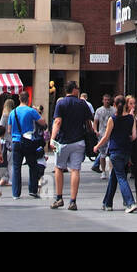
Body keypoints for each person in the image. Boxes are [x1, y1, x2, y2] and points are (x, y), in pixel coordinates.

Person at [49, 81, 96, 210]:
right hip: (79, 141)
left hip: (63, 141)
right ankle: (73, 201)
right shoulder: (82, 103)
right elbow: (89, 121)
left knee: (59, 168)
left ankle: (59, 198)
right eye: (78, 88)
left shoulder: (61, 103)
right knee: (75, 170)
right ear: (74, 90)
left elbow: (57, 122)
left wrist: (52, 138)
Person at [93, 95, 137, 213]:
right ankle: (107, 203)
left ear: (114, 105)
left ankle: (130, 202)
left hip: (115, 151)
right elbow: (134, 136)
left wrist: (97, 146)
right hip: (126, 151)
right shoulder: (131, 118)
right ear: (125, 105)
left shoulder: (112, 119)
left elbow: (106, 137)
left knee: (121, 177)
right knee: (114, 176)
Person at [7, 92, 43, 199]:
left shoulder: (13, 112)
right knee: (33, 165)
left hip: (16, 141)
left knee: (16, 167)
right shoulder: (31, 111)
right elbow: (42, 122)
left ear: (19, 98)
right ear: (28, 99)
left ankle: (15, 193)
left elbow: (9, 129)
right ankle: (32, 190)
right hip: (28, 141)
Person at [92, 93, 114, 179]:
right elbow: (95, 122)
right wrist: (95, 130)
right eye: (105, 100)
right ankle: (103, 171)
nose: (107, 101)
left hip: (111, 134)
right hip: (102, 134)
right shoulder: (99, 110)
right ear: (103, 101)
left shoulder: (113, 110)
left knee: (111, 154)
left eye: (108, 100)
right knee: (102, 154)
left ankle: (111, 171)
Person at [0, 98, 15, 187]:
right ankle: (12, 179)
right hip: (14, 139)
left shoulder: (5, 115)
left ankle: (7, 179)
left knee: (7, 162)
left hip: (6, 140)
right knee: (12, 163)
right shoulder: (15, 114)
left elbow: (1, 127)